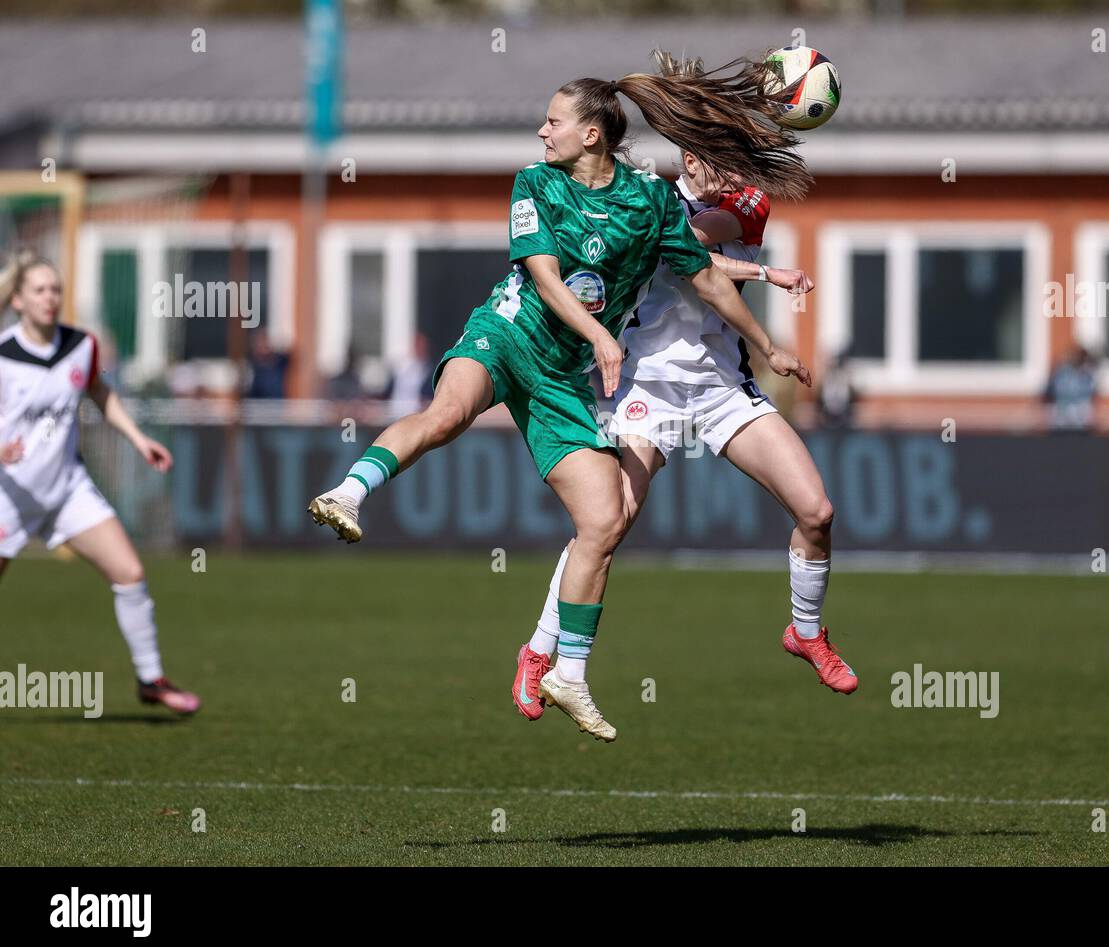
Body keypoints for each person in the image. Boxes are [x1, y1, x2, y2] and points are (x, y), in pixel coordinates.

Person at [308, 62, 812, 743]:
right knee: (449, 414)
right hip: (507, 335)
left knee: (605, 522)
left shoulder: (650, 200)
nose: (542, 131)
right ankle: (347, 493)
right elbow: (544, 277)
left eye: (554, 121)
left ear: (592, 134)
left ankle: (567, 671)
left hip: (562, 380)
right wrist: (601, 335)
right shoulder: (535, 182)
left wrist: (769, 343)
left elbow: (706, 278)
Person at [518, 109, 855, 722]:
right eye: (722, 161)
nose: (738, 174)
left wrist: (766, 326)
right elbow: (684, 250)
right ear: (692, 162)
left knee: (818, 512)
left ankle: (806, 632)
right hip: (647, 386)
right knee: (607, 523)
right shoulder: (647, 198)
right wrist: (766, 272)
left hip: (724, 388)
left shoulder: (747, 201)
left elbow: (695, 242)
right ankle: (540, 651)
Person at [0, 251, 201, 715]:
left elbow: (99, 392)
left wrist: (138, 438)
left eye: (55, 289)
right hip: (10, 493)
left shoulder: (81, 346)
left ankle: (151, 679)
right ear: (18, 300)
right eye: (39, 290)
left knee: (130, 574)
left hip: (66, 489)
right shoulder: (4, 354)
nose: (50, 298)